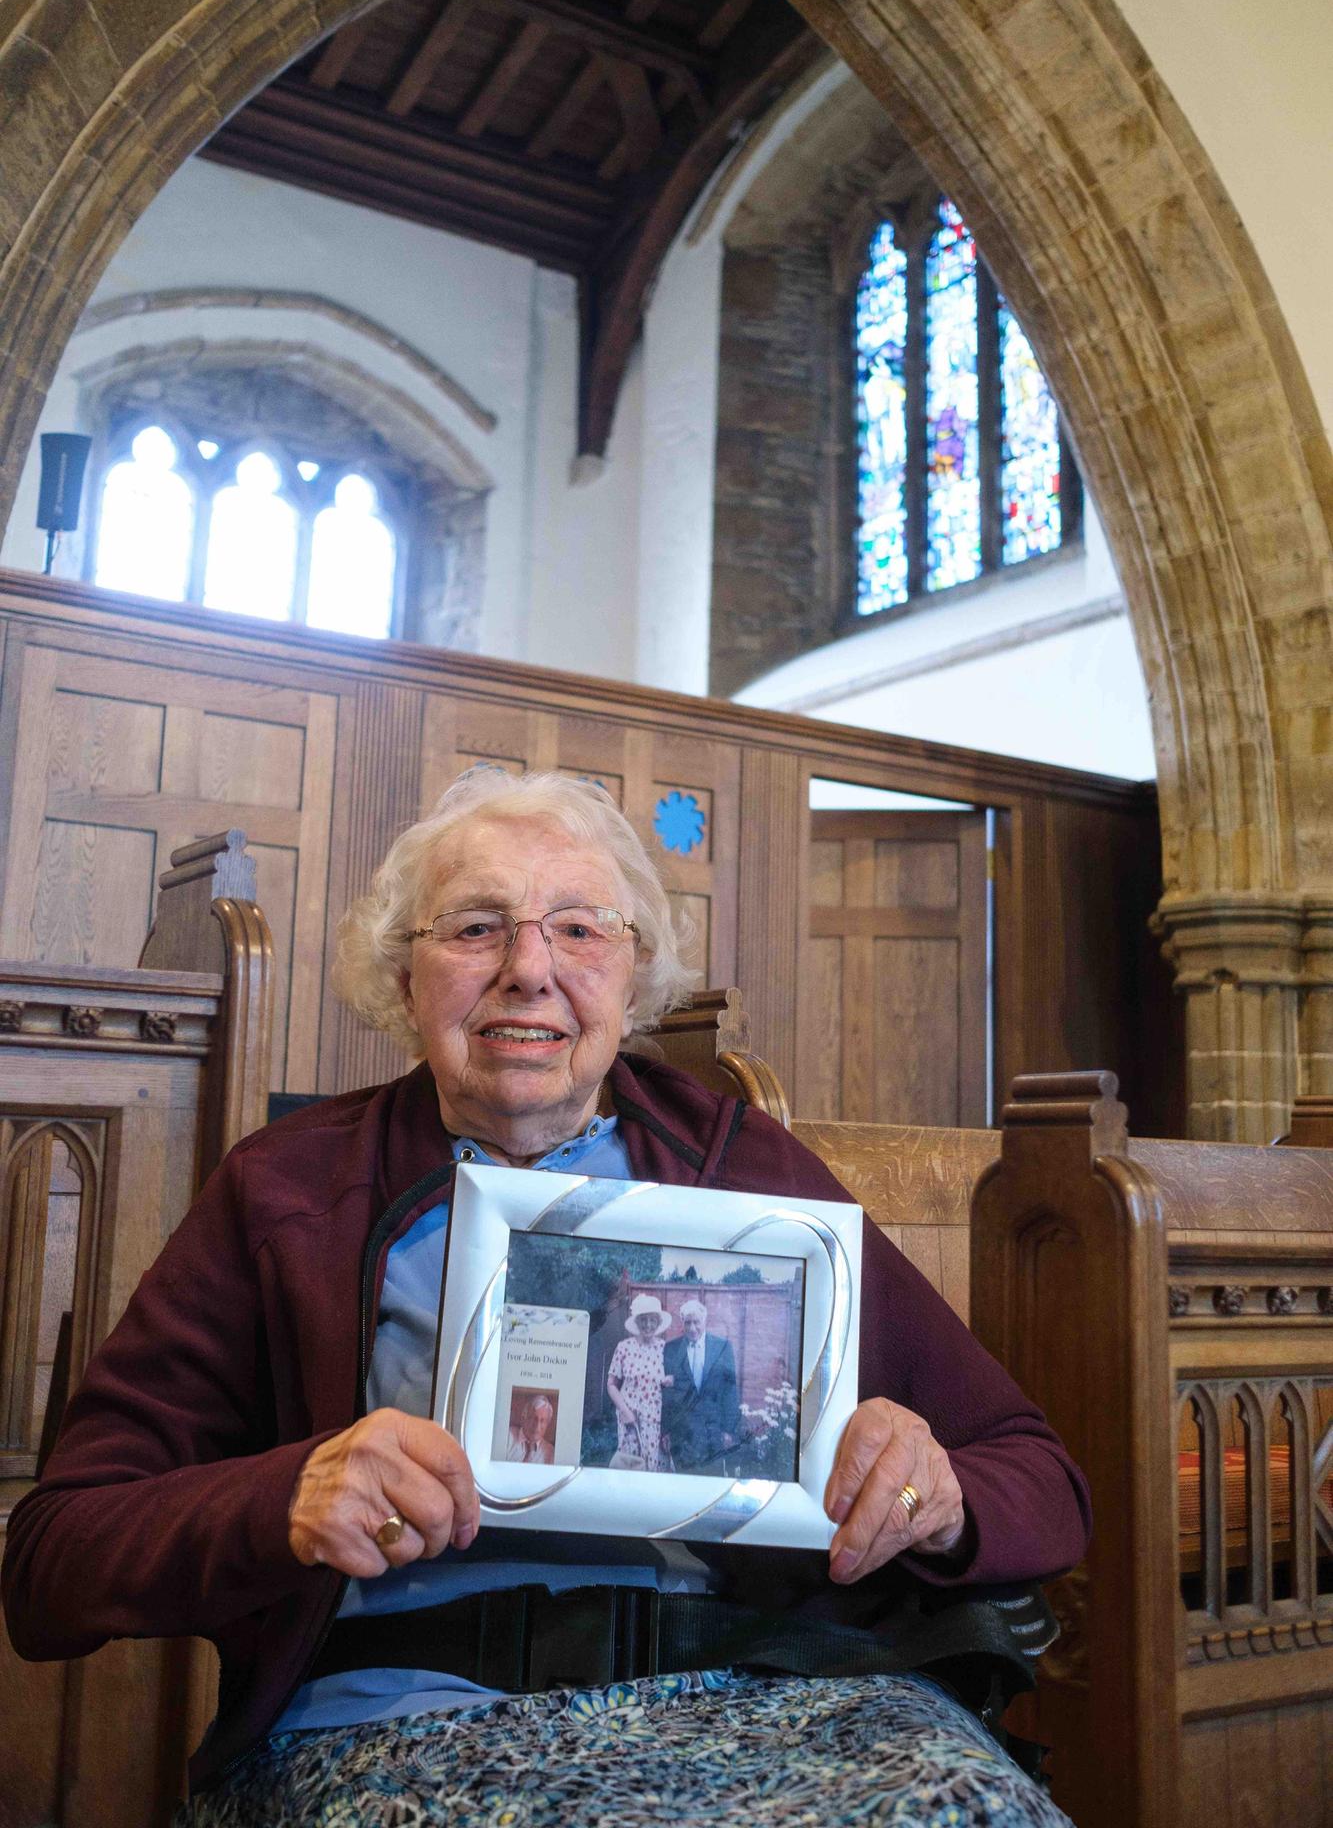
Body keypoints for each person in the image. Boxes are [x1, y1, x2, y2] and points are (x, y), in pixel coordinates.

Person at [2, 768, 1090, 1828]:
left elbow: (1038, 1473)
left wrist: (932, 1492)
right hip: (402, 1719)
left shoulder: (743, 1170)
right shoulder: (290, 1189)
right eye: (475, 927)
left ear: (632, 975)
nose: (529, 968)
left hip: (779, 1689)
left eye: (578, 929)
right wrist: (287, 1492)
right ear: (403, 977)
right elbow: (54, 1557)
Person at [662, 1297, 742, 1473]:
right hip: (682, 1434)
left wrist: (729, 1430)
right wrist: (666, 1430)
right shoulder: (671, 1349)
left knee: (711, 1484)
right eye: (687, 1322)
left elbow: (730, 1391)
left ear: (705, 1321)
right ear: (682, 1323)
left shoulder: (722, 1347)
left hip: (712, 1432)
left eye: (696, 1322)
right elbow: (667, 1395)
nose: (692, 1328)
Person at [607, 1293, 674, 1470]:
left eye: (652, 1320)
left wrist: (671, 1380)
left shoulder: (665, 1349)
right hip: (630, 1418)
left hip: (656, 1420)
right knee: (630, 1466)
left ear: (658, 1323)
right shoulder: (624, 1347)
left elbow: (674, 1386)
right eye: (643, 1320)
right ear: (636, 1322)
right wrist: (624, 1410)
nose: (648, 1325)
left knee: (653, 1467)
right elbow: (611, 1384)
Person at [506, 1393, 556, 1466]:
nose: (537, 1426)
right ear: (524, 1417)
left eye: (542, 1421)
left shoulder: (550, 1452)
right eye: (534, 1419)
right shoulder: (507, 1436)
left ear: (547, 1424)